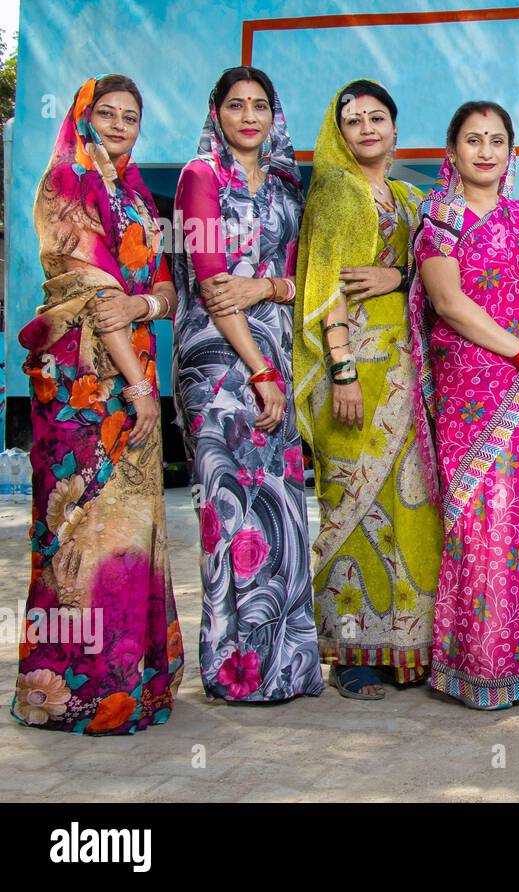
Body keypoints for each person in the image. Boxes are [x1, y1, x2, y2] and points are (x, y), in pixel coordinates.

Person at [13, 74, 182, 733]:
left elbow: (162, 294)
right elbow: (92, 292)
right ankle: (73, 694)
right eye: (106, 113)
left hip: (132, 371)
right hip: (83, 388)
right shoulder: (64, 185)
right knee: (79, 531)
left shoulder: (137, 194)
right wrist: (140, 386)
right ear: (82, 119)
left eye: (130, 116)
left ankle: (130, 690)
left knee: (132, 533)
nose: (118, 125)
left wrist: (143, 306)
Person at [411, 101, 519, 709]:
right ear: (452, 150)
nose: (486, 151)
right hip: (478, 386)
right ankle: (483, 666)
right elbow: (450, 303)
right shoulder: (438, 220)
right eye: (473, 140)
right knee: (487, 520)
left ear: (511, 151)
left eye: (497, 140)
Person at [173, 66, 322, 702]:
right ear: (218, 113)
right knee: (230, 511)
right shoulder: (199, 177)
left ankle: (288, 665)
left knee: (283, 510)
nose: (249, 116)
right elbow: (210, 281)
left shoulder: (288, 186)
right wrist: (256, 367)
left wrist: (270, 290)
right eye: (236, 105)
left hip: (276, 360)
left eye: (260, 105)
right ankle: (236, 668)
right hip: (218, 364)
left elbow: (302, 278)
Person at [294, 80, 442, 700]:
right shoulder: (335, 192)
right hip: (356, 371)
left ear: (395, 128)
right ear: (340, 132)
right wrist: (343, 370)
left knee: (411, 509)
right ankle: (351, 651)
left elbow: (433, 272)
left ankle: (406, 647)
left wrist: (398, 272)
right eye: (352, 121)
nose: (366, 129)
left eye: (376, 118)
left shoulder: (409, 197)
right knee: (350, 504)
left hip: (407, 371)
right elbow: (327, 288)